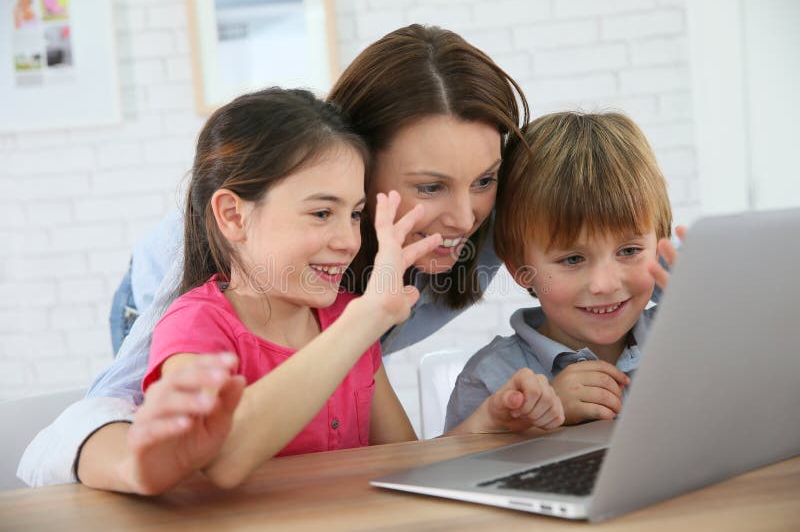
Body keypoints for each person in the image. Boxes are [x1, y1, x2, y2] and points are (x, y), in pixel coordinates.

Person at [19, 24, 564, 492]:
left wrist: (486, 423)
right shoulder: (208, 302)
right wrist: (142, 463)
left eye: (484, 181)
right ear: (357, 167)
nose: (466, 219)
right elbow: (115, 424)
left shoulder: (361, 301)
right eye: (429, 186)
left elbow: (399, 455)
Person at [445, 111, 682, 430]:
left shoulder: (685, 341)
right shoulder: (493, 378)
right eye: (572, 259)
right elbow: (453, 472)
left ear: (659, 244)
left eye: (628, 251)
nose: (604, 284)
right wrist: (537, 421)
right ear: (521, 269)